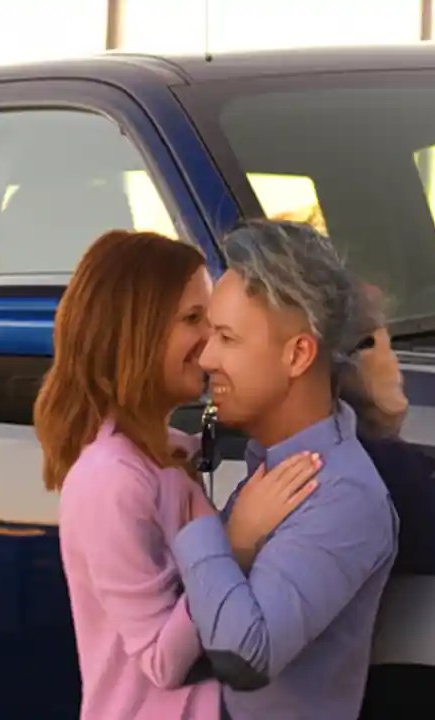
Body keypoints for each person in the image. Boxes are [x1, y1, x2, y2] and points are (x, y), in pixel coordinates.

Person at [34, 230, 319, 720]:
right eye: (192, 319)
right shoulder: (109, 480)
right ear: (132, 332)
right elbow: (161, 661)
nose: (210, 339)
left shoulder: (168, 455)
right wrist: (236, 544)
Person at [172, 220, 400, 720]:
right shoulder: (275, 466)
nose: (206, 357)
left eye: (227, 338)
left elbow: (244, 655)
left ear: (297, 355)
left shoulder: (340, 496)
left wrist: (202, 528)